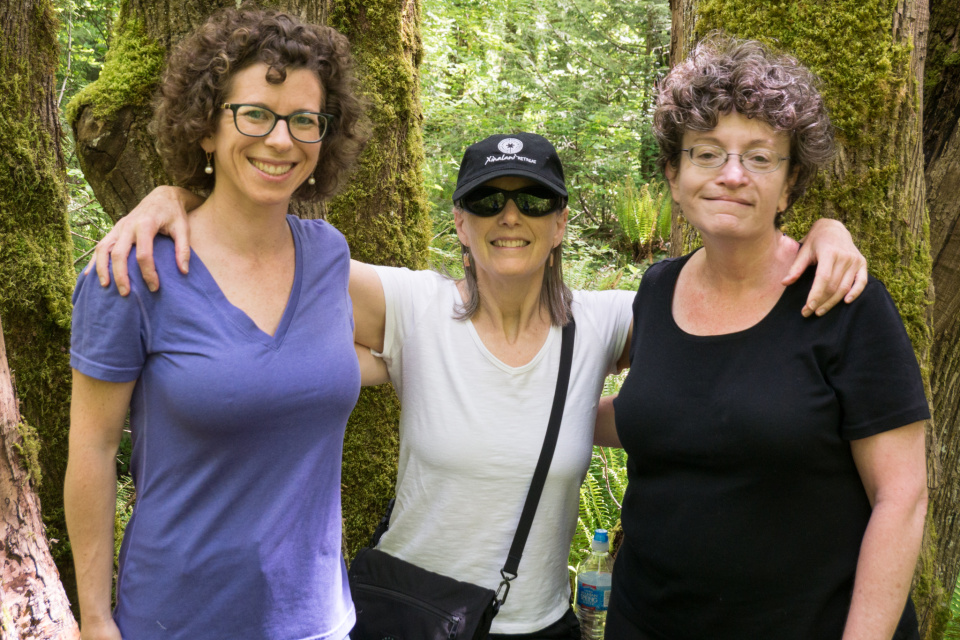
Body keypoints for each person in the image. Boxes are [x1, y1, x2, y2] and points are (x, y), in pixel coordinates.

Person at [91, 131, 866, 638]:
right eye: (486, 200)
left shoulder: (612, 321)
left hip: (543, 624)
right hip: (410, 615)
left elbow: (727, 321)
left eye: (534, 200)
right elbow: (260, 238)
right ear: (459, 222)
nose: (510, 216)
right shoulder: (412, 307)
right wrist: (174, 199)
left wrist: (822, 234)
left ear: (561, 223)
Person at [596, 36, 930, 640]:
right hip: (646, 622)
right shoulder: (655, 290)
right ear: (673, 175)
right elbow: (678, 413)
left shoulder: (844, 303)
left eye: (759, 157)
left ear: (790, 180)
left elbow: (901, 496)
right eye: (706, 154)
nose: (731, 176)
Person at [64, 6, 370, 640]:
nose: (281, 140)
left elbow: (430, 328)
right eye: (254, 113)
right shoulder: (130, 269)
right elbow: (91, 451)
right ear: (206, 126)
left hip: (317, 622)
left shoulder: (327, 256)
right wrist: (94, 619)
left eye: (304, 120)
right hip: (175, 620)